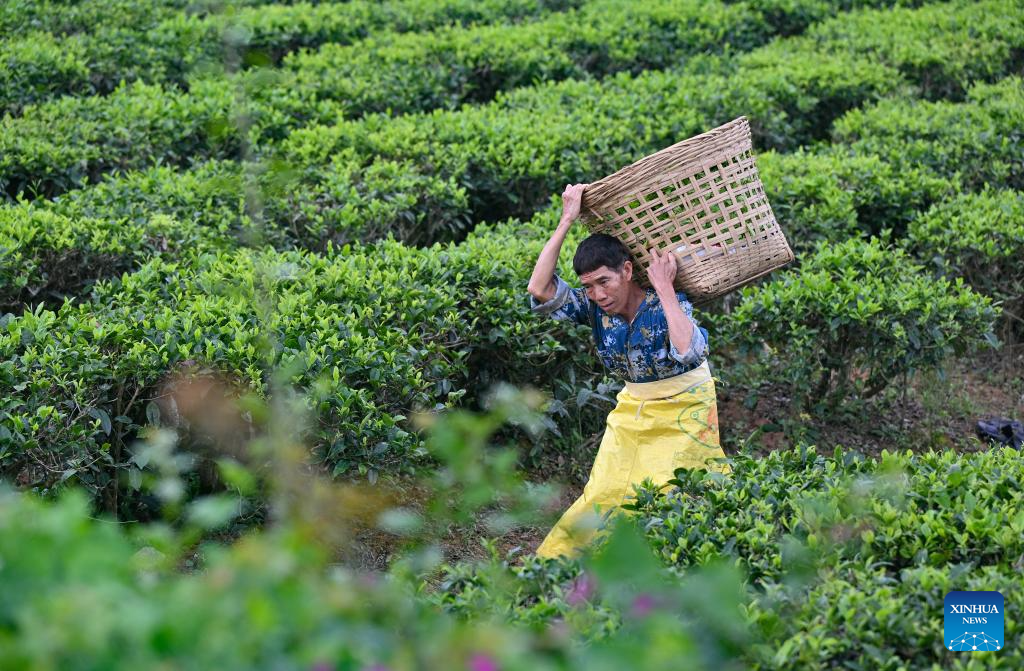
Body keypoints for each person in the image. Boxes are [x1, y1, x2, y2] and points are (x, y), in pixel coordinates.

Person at [526, 183, 732, 559]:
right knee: (605, 490)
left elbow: (689, 351)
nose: (598, 294)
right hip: (633, 409)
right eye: (588, 287)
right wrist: (567, 219)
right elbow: (539, 288)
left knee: (675, 495)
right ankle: (564, 568)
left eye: (604, 282)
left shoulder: (665, 303)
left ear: (626, 271)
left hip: (686, 408)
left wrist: (665, 287)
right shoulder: (594, 310)